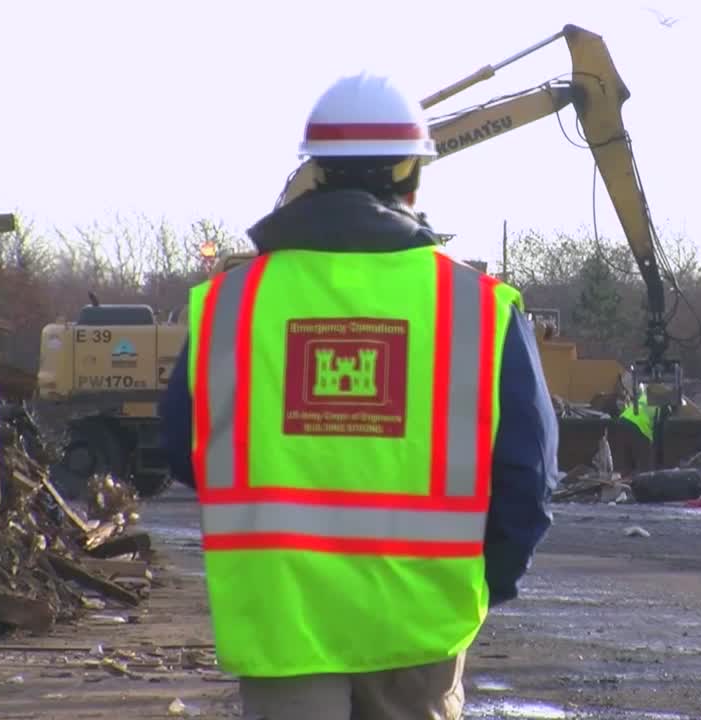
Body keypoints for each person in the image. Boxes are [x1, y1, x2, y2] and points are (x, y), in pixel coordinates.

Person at [157, 71, 558, 720]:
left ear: (315, 173)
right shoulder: (478, 309)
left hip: (281, 624)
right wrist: (481, 585)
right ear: (412, 175)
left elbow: (184, 450)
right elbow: (527, 478)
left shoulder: (229, 305)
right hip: (420, 628)